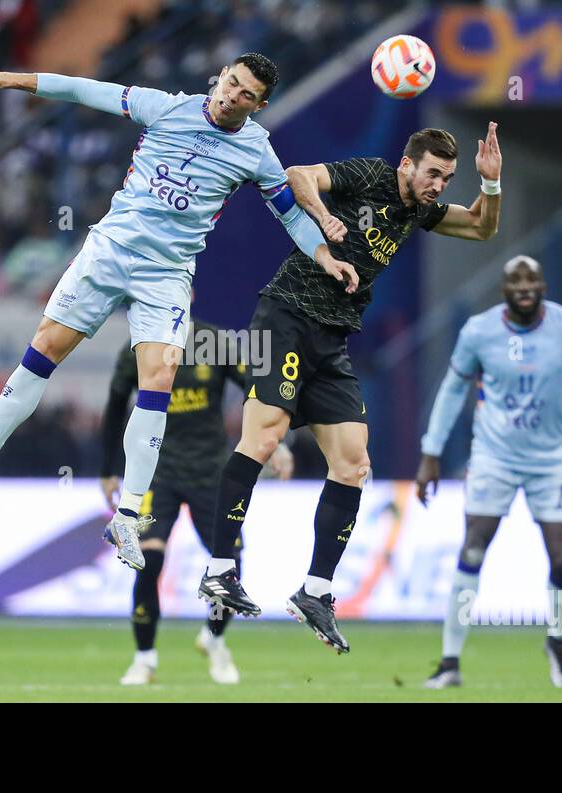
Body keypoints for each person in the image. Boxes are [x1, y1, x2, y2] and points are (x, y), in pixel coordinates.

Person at [0, 54, 354, 573]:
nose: (231, 97)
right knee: (45, 349)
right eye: (230, 83)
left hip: (167, 273)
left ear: (259, 105)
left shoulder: (256, 151)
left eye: (246, 95)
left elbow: (290, 214)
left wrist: (324, 256)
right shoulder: (166, 108)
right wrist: (5, 79)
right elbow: (80, 89)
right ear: (219, 75)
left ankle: (129, 516)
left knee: (160, 376)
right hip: (110, 251)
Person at [198, 124, 503, 653]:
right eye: (433, 173)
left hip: (332, 338)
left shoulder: (419, 212)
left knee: (353, 462)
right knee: (264, 437)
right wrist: (325, 217)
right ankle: (220, 569)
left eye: (448, 177)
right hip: (287, 315)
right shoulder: (369, 176)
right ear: (407, 165)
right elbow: (298, 177)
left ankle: (315, 591)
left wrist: (491, 185)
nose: (439, 185)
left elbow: (480, 228)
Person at [414, 255, 562, 689]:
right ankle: (450, 661)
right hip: (494, 456)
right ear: (504, 289)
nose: (525, 286)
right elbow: (452, 391)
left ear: (543, 285)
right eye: (516, 280)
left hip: (553, 459)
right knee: (473, 547)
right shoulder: (478, 331)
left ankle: (557, 639)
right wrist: (430, 452)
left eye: (532, 279)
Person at [100, 318, 292, 684]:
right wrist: (107, 469)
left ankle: (214, 639)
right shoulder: (140, 345)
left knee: (229, 565)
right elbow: (114, 406)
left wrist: (275, 440)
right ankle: (144, 659)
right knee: (149, 559)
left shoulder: (211, 340)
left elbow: (255, 388)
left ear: (188, 294)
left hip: (212, 473)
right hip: (158, 473)